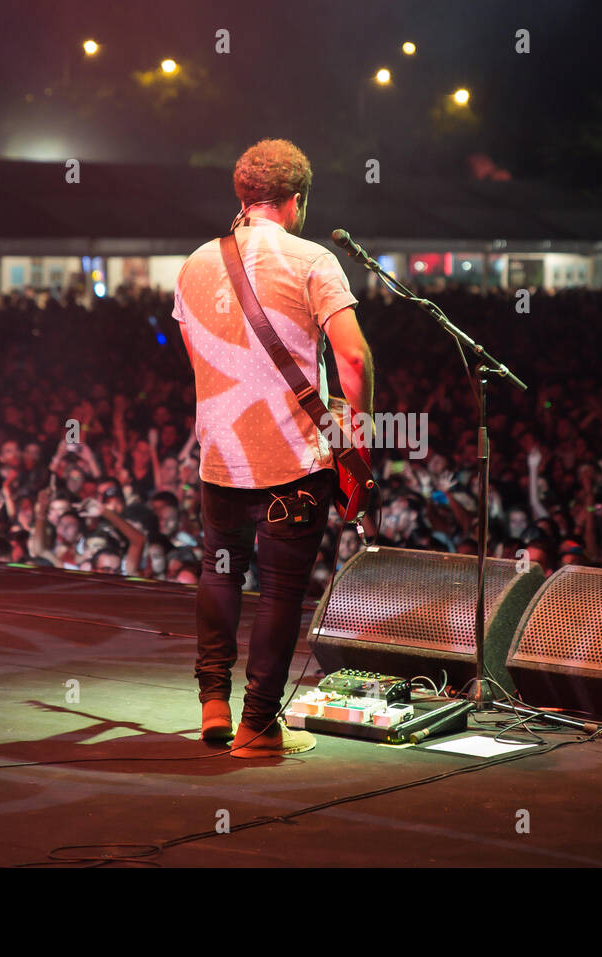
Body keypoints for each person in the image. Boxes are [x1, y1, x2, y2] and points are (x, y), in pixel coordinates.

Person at [173, 138, 373, 758]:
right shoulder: (313, 260)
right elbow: (354, 356)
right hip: (293, 460)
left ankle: (212, 701)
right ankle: (257, 726)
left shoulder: (195, 263)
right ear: (295, 201)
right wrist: (357, 433)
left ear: (244, 196)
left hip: (220, 458)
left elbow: (199, 363)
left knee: (218, 569)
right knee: (282, 591)